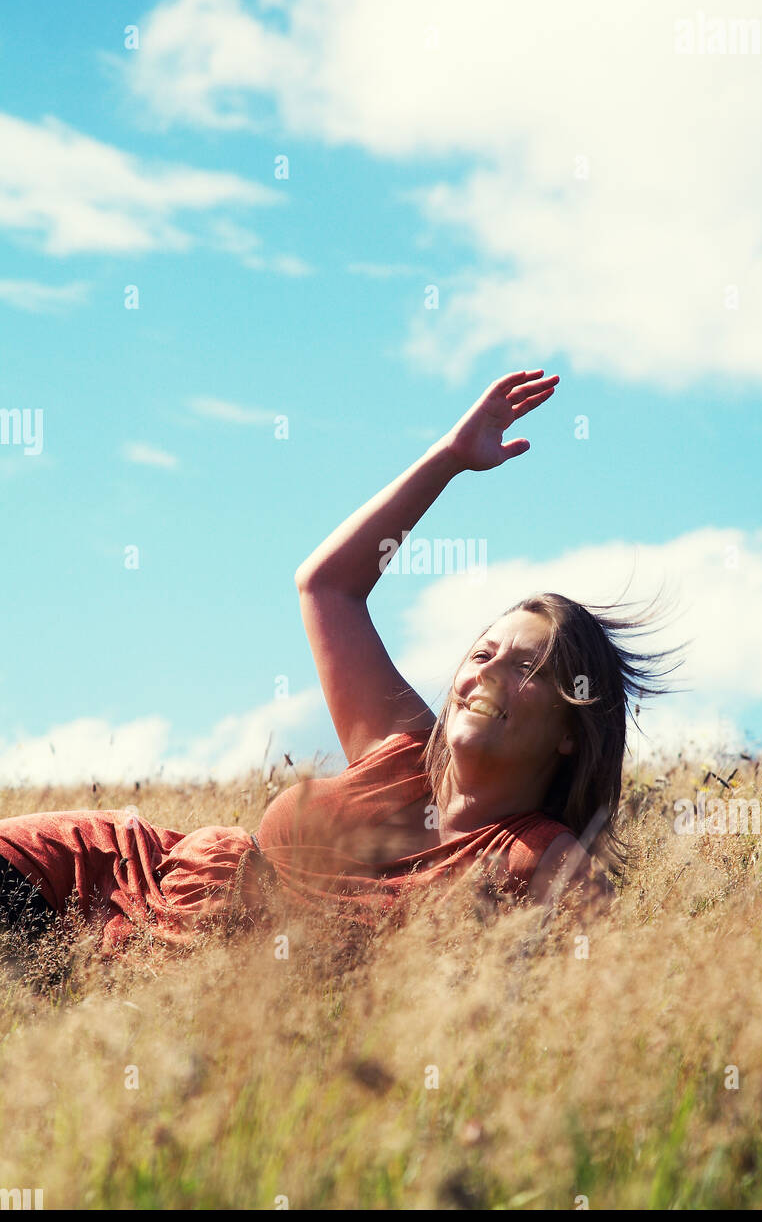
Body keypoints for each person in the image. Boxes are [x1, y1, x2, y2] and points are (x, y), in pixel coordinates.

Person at [0, 369, 673, 958]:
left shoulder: (537, 856)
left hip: (108, 971)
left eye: (527, 668)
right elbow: (326, 586)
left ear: (569, 726)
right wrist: (448, 458)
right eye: (482, 652)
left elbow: (601, 1000)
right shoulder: (403, 749)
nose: (490, 672)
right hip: (77, 871)